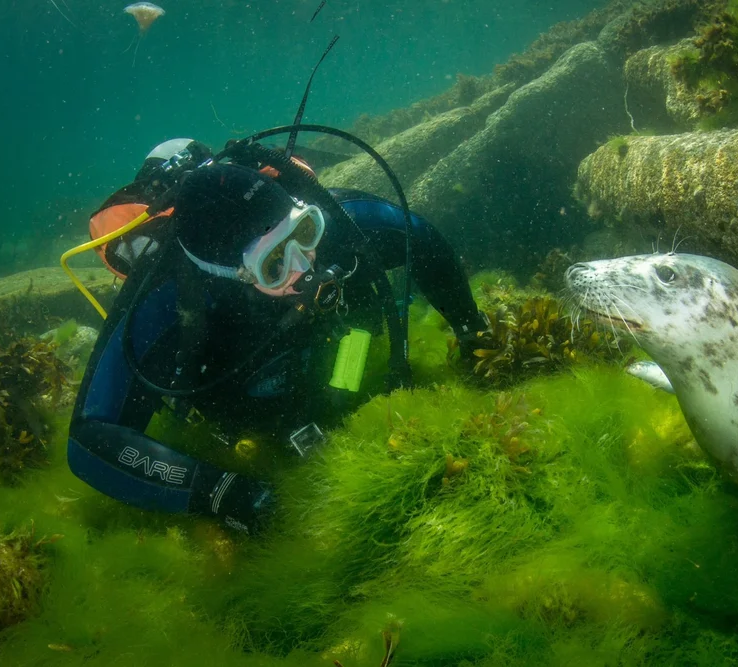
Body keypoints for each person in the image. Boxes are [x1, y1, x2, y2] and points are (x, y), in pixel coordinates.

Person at [67, 138, 490, 534]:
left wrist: (472, 331)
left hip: (345, 364)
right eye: (274, 264)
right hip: (242, 422)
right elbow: (91, 439)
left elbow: (422, 237)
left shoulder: (339, 222)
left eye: (304, 234)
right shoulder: (164, 299)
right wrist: (225, 493)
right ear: (228, 275)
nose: (304, 267)